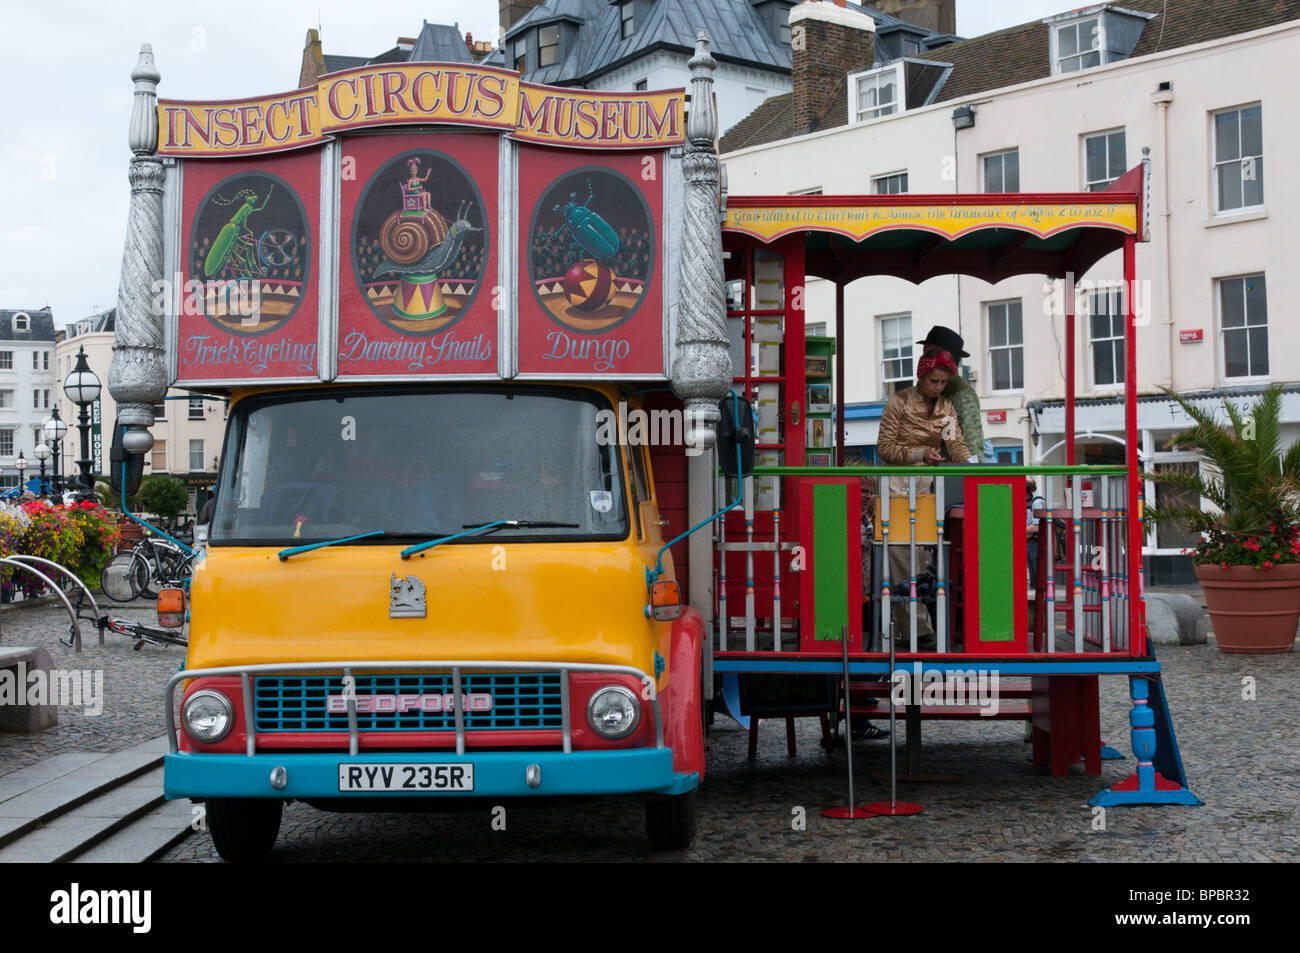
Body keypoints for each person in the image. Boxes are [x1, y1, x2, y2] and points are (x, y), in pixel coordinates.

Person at [877, 350, 974, 649]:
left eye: (943, 382)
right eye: (934, 380)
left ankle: (920, 626)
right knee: (902, 555)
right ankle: (916, 630)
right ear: (921, 376)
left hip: (929, 485)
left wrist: (969, 463)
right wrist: (920, 454)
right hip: (897, 483)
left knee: (926, 556)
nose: (938, 387)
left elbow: (954, 442)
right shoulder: (899, 401)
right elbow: (884, 447)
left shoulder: (946, 407)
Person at [917, 325, 993, 463]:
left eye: (929, 353)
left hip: (951, 476)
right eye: (924, 353)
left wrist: (971, 476)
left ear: (946, 356)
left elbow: (971, 441)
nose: (924, 358)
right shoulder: (925, 391)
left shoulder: (961, 393)